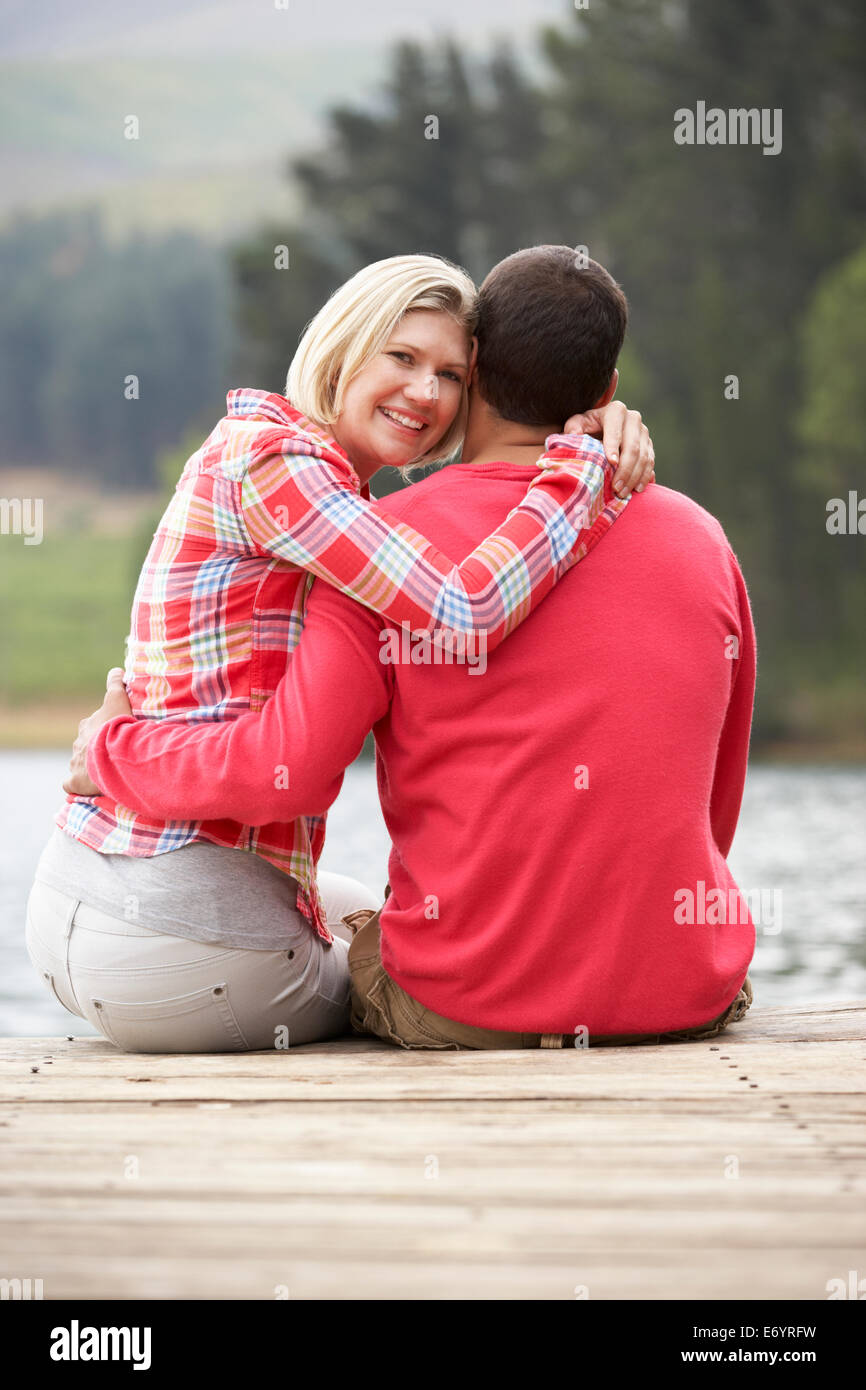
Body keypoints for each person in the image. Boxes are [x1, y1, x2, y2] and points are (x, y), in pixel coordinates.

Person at [64, 245, 755, 1051]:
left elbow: (289, 761)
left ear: (478, 373)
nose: (426, 392)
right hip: (683, 990)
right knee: (342, 905)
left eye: (448, 372)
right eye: (404, 359)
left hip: (470, 1007)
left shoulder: (385, 549)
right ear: (603, 395)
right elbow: (718, 797)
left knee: (359, 928)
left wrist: (108, 750)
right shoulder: (702, 538)